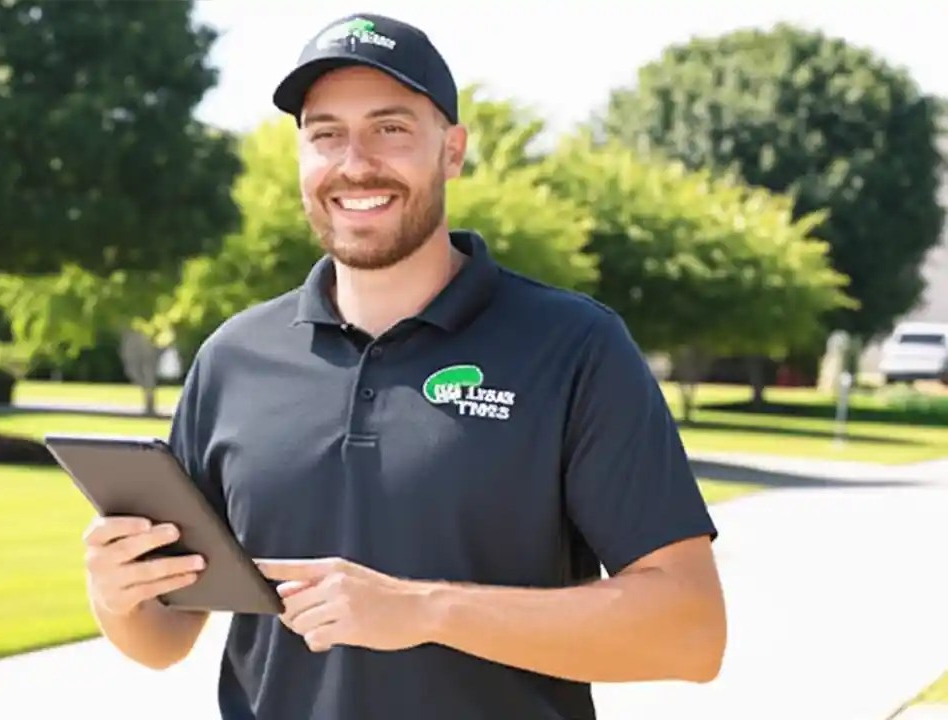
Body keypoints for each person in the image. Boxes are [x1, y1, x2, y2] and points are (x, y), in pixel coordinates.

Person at [81, 12, 727, 720]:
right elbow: (165, 638)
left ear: (452, 150)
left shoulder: (574, 346)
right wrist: (117, 598)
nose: (355, 162)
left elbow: (690, 633)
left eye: (390, 129)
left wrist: (424, 610)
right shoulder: (233, 359)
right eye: (325, 133)